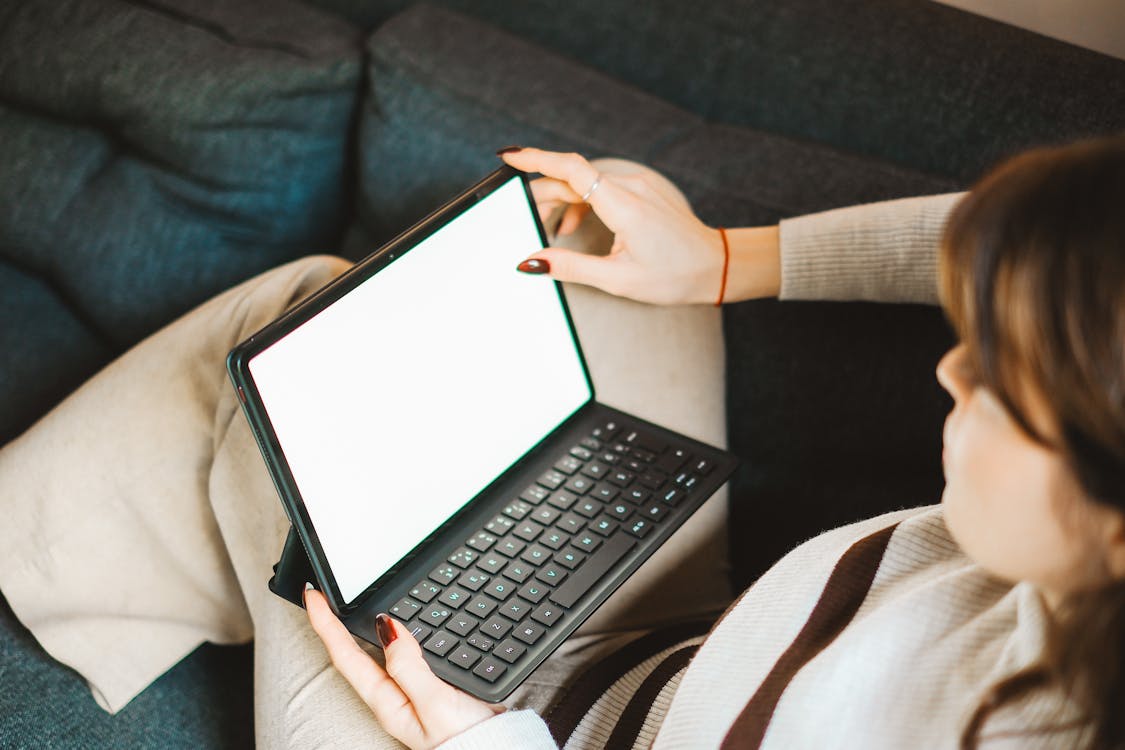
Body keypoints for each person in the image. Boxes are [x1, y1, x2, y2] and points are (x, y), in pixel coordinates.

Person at [1, 135, 1122, 749]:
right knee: (606, 211)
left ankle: (26, 561)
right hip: (676, 627)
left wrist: (476, 741)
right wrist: (728, 260)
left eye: (1003, 385)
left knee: (294, 336)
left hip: (501, 736)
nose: (952, 364)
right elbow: (1019, 243)